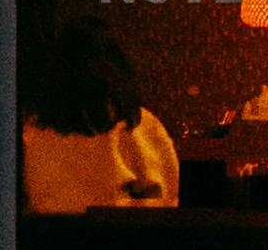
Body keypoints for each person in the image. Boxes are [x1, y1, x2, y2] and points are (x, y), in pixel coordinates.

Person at [20, 18, 179, 215]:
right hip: (116, 238)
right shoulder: (138, 125)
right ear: (118, 65)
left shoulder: (31, 128)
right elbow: (165, 198)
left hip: (50, 240)